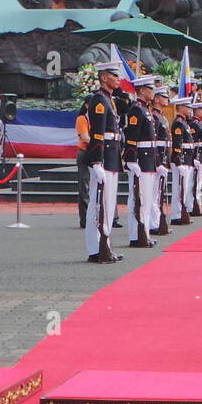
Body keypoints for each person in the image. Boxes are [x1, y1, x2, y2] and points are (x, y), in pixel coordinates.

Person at [80, 62, 126, 263]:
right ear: (104, 77)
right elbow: (97, 133)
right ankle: (95, 248)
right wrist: (97, 161)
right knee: (99, 204)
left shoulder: (110, 99)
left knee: (108, 203)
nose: (118, 79)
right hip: (104, 157)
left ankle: (105, 245)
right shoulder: (99, 100)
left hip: (112, 156)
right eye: (113, 76)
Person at [122, 75, 160, 248]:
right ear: (142, 90)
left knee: (146, 198)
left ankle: (143, 233)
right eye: (150, 89)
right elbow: (131, 137)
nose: (153, 92)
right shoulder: (137, 110)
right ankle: (136, 235)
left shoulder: (146, 109)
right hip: (141, 159)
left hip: (149, 159)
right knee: (139, 198)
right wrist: (131, 159)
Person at [169, 97, 197, 225]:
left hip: (188, 159)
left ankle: (181, 213)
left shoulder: (185, 123)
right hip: (181, 159)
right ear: (181, 108)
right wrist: (178, 161)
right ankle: (176, 215)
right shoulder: (178, 123)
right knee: (179, 188)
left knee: (184, 188)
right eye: (188, 107)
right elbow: (177, 144)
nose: (190, 110)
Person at [151, 86, 173, 235]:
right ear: (157, 99)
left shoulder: (162, 117)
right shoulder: (154, 116)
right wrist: (158, 162)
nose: (167, 100)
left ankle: (157, 221)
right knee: (153, 194)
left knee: (159, 193)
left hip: (163, 158)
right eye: (164, 97)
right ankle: (153, 223)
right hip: (155, 159)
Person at [189, 101, 202, 216]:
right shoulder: (194, 124)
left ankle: (196, 205)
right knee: (195, 183)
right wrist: (195, 157)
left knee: (198, 183)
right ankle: (193, 206)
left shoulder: (199, 124)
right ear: (197, 111)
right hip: (198, 156)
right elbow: (193, 143)